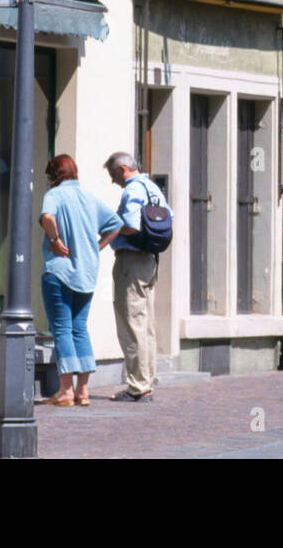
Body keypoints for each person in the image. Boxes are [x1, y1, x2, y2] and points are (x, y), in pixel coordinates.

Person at [38, 154, 124, 406]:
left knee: (62, 329)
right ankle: (83, 391)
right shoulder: (89, 198)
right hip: (86, 273)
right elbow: (116, 224)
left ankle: (65, 391)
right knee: (80, 328)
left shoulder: (54, 194)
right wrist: (97, 247)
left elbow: (48, 218)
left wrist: (54, 240)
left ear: (54, 176)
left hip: (60, 272)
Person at [102, 152, 172, 402]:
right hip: (150, 260)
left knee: (131, 324)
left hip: (131, 262)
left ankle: (137, 386)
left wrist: (112, 230)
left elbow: (132, 225)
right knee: (146, 325)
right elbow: (169, 217)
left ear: (122, 169)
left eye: (113, 175)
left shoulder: (132, 190)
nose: (113, 181)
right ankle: (146, 381)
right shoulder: (152, 187)